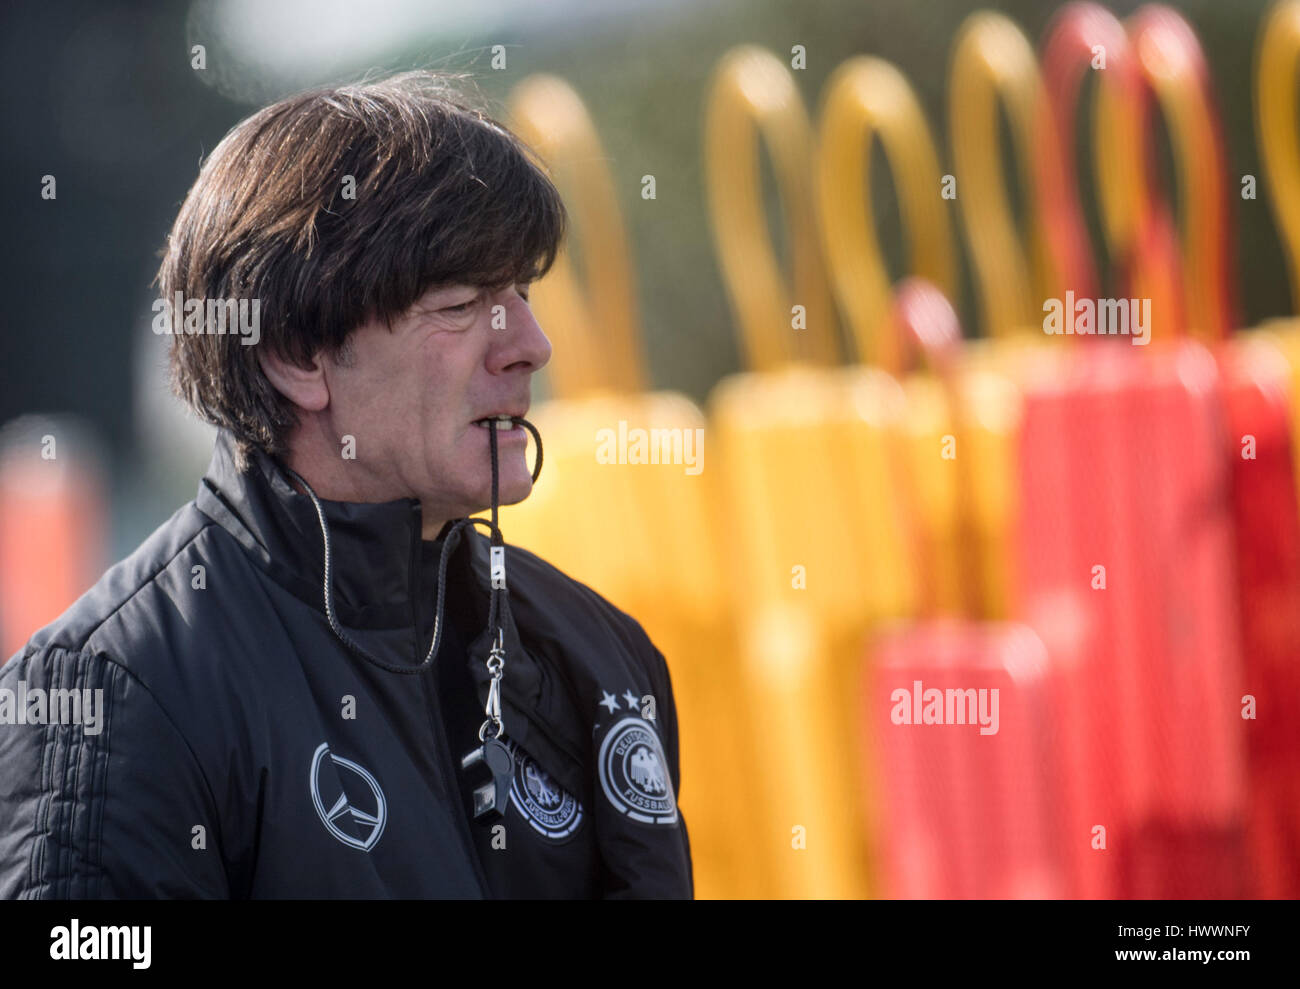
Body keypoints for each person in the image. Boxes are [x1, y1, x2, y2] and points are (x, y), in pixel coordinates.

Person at [0, 72, 693, 898]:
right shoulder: (118, 690)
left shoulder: (600, 652)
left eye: (523, 293)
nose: (531, 345)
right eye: (464, 303)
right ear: (298, 355)